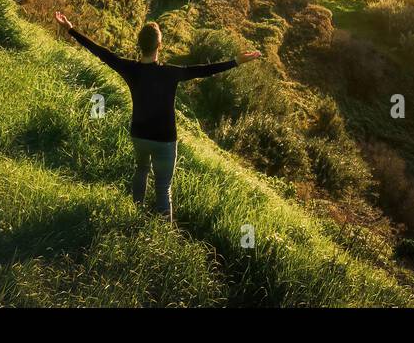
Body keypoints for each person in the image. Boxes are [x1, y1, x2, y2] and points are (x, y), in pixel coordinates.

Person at [54, 11, 260, 221]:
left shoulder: (129, 68)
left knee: (141, 170)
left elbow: (100, 52)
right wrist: (235, 61)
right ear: (159, 46)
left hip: (139, 136)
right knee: (163, 189)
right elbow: (204, 70)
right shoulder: (170, 73)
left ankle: (135, 213)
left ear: (139, 45)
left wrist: (71, 29)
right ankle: (163, 235)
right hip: (164, 140)